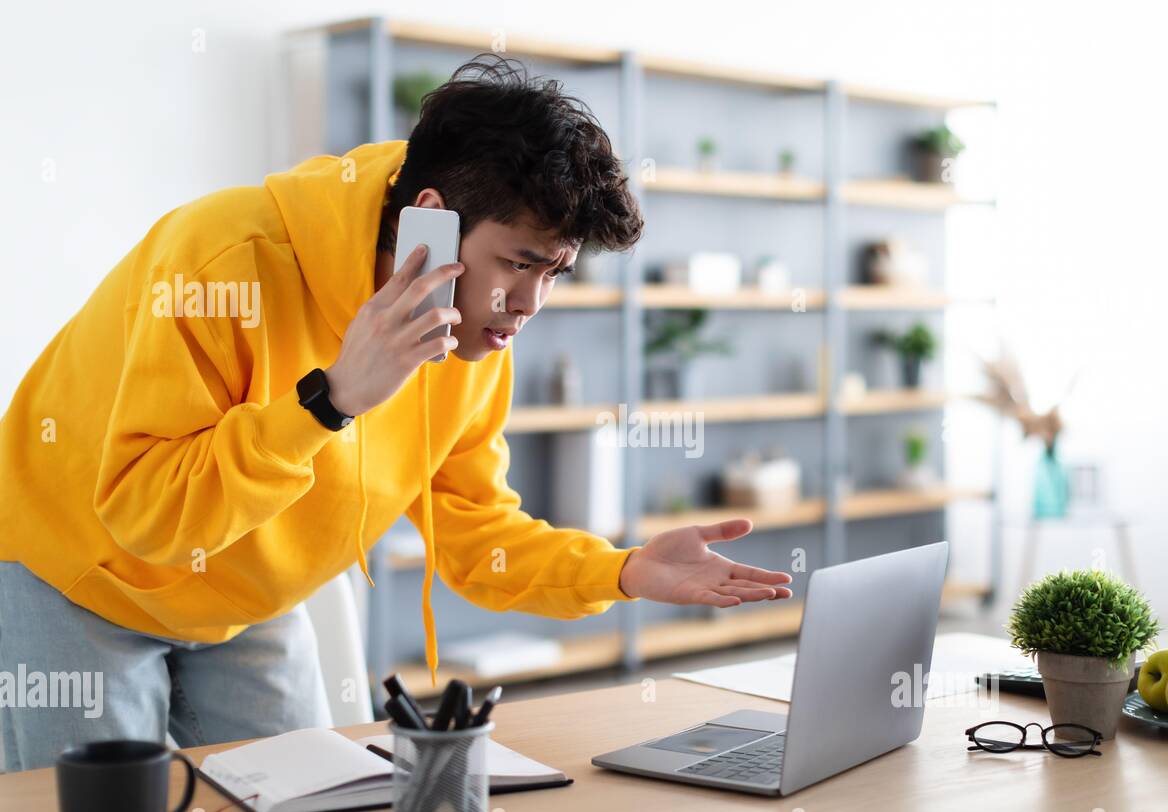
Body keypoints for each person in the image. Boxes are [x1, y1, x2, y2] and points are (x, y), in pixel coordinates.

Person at [0, 56, 792, 772]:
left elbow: (477, 538)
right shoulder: (221, 260)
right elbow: (147, 514)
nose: (528, 307)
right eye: (518, 265)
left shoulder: (475, 338)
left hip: (241, 592)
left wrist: (622, 571)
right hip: (77, 572)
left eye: (554, 274)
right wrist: (332, 399)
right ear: (430, 218)